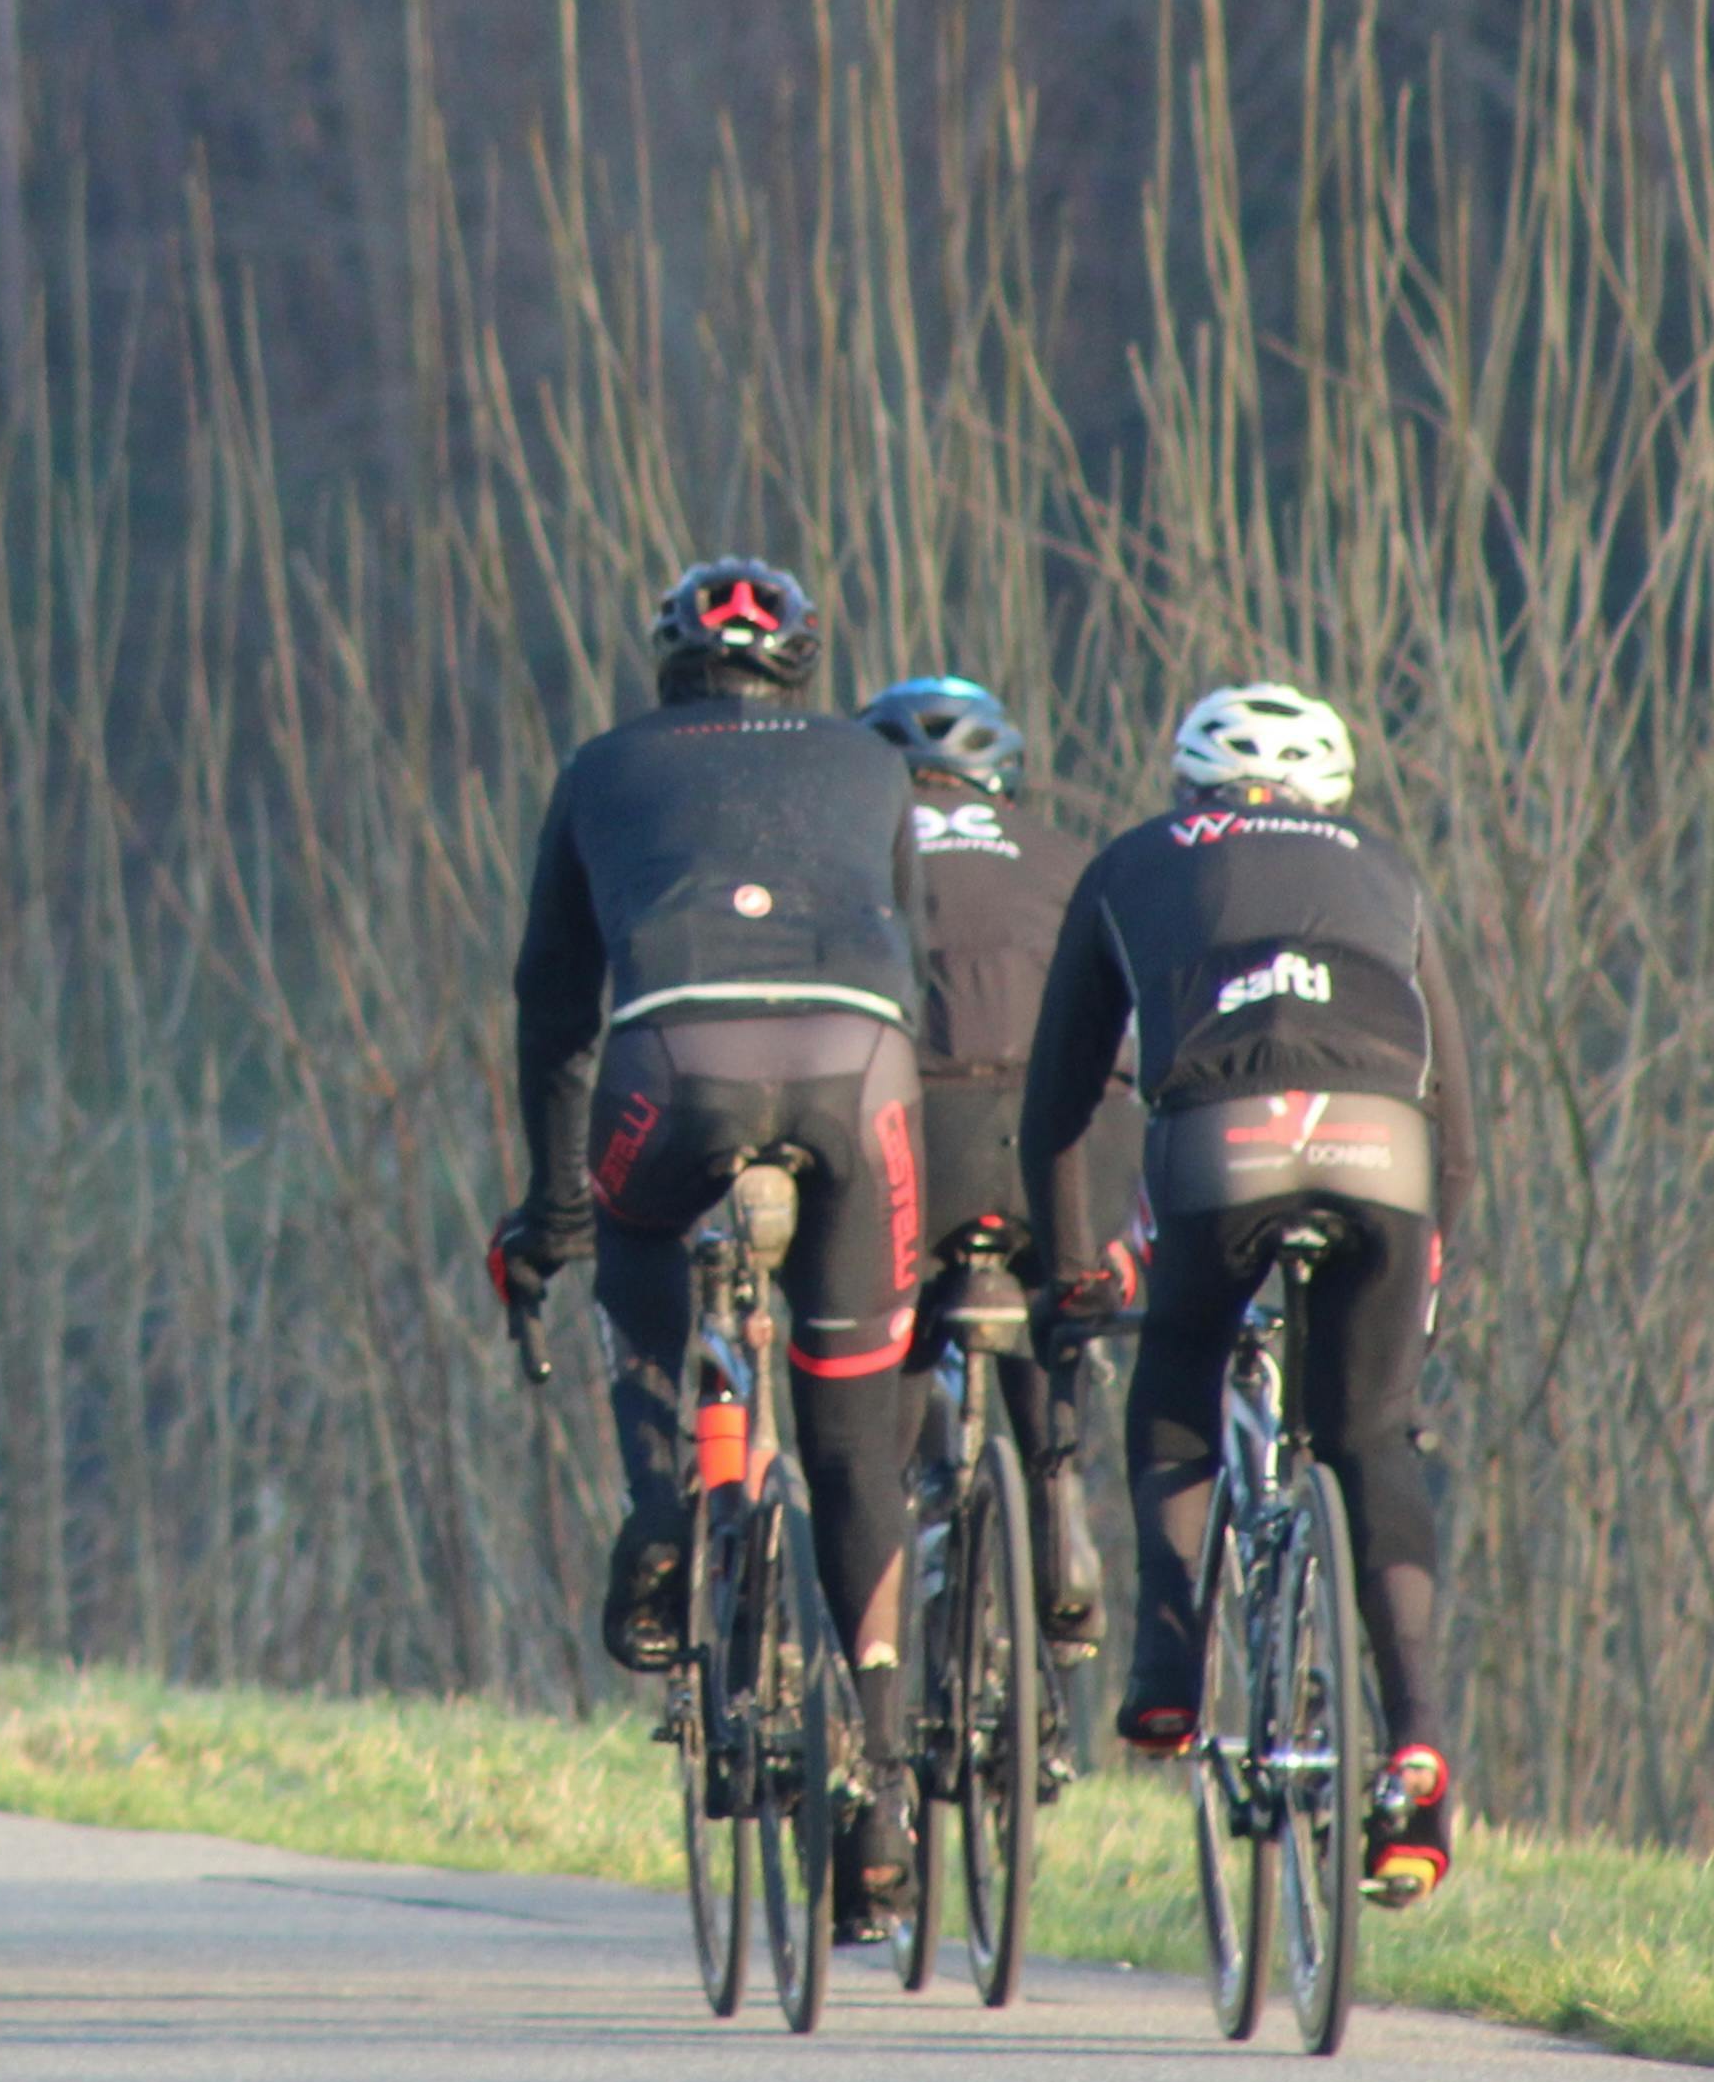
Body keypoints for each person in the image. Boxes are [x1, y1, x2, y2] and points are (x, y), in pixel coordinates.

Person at [493, 556, 939, 1939]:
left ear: (667, 668)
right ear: (803, 665)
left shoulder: (599, 765)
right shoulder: (875, 762)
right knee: (858, 1436)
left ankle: (665, 1517)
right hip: (856, 1066)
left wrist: (556, 1210)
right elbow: (912, 957)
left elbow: (551, 1003)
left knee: (637, 1255)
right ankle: (875, 1809)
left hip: (668, 1065)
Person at [1015, 681, 1476, 1906]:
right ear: (1330, 796)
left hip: (1223, 1140)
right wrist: (1433, 1266)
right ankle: (1420, 1753)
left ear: (1192, 790)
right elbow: (1460, 1114)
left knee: (1176, 1380)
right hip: (1388, 1151)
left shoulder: (1132, 862)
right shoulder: (1386, 867)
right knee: (1371, 1434)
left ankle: (1168, 1675)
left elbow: (1059, 1097)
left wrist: (1068, 1270)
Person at [856, 674, 1110, 1659]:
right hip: (1077, 1128)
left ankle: (885, 1535)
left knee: (878, 1324)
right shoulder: (1069, 858)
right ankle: (1062, 1518)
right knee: (1058, 1303)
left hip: (924, 1121)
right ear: (1002, 776)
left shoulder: (861, 854)